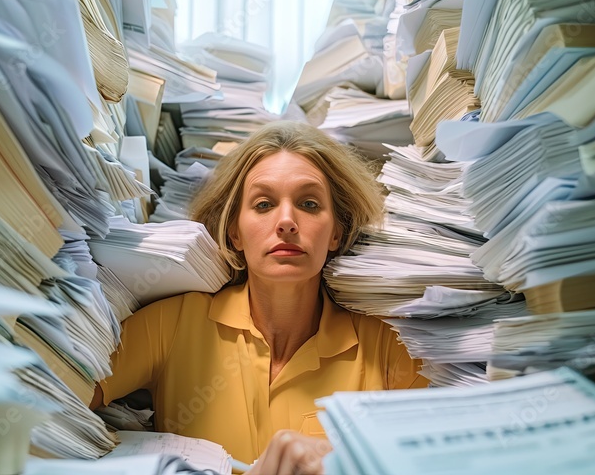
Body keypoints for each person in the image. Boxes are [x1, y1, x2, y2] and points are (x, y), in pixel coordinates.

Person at [90, 121, 425, 474]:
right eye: (264, 204)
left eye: (309, 204)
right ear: (234, 232)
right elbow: (58, 397)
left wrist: (348, 461)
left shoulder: (388, 346)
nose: (286, 222)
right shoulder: (173, 325)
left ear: (336, 234)